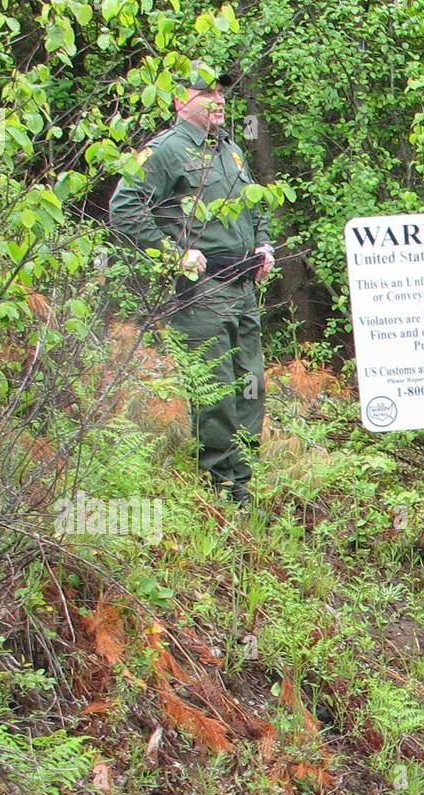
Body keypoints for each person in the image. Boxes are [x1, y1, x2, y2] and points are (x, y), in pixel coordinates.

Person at [108, 61, 275, 507]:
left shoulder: (230, 150)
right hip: (200, 294)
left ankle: (243, 482)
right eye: (207, 94)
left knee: (250, 385)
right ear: (182, 101)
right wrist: (173, 253)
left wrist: (265, 247)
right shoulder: (164, 151)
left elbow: (255, 207)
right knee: (216, 391)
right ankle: (221, 494)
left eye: (221, 93)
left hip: (242, 289)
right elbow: (123, 210)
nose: (219, 101)